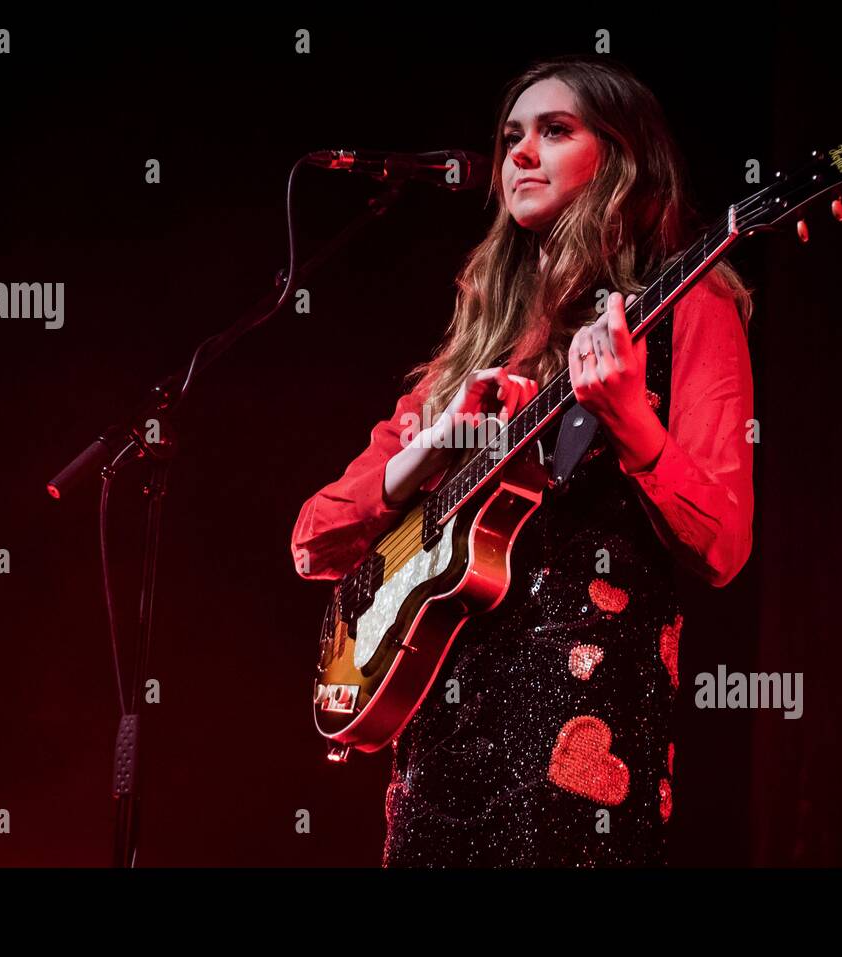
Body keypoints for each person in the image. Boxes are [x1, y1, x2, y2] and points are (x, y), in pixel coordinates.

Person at [291, 55, 755, 866]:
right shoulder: (474, 352)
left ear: (622, 158)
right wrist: (437, 442)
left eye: (555, 130)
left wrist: (631, 420)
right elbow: (315, 539)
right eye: (511, 137)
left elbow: (723, 543)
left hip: (583, 743)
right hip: (438, 749)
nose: (521, 154)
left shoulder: (690, 312)